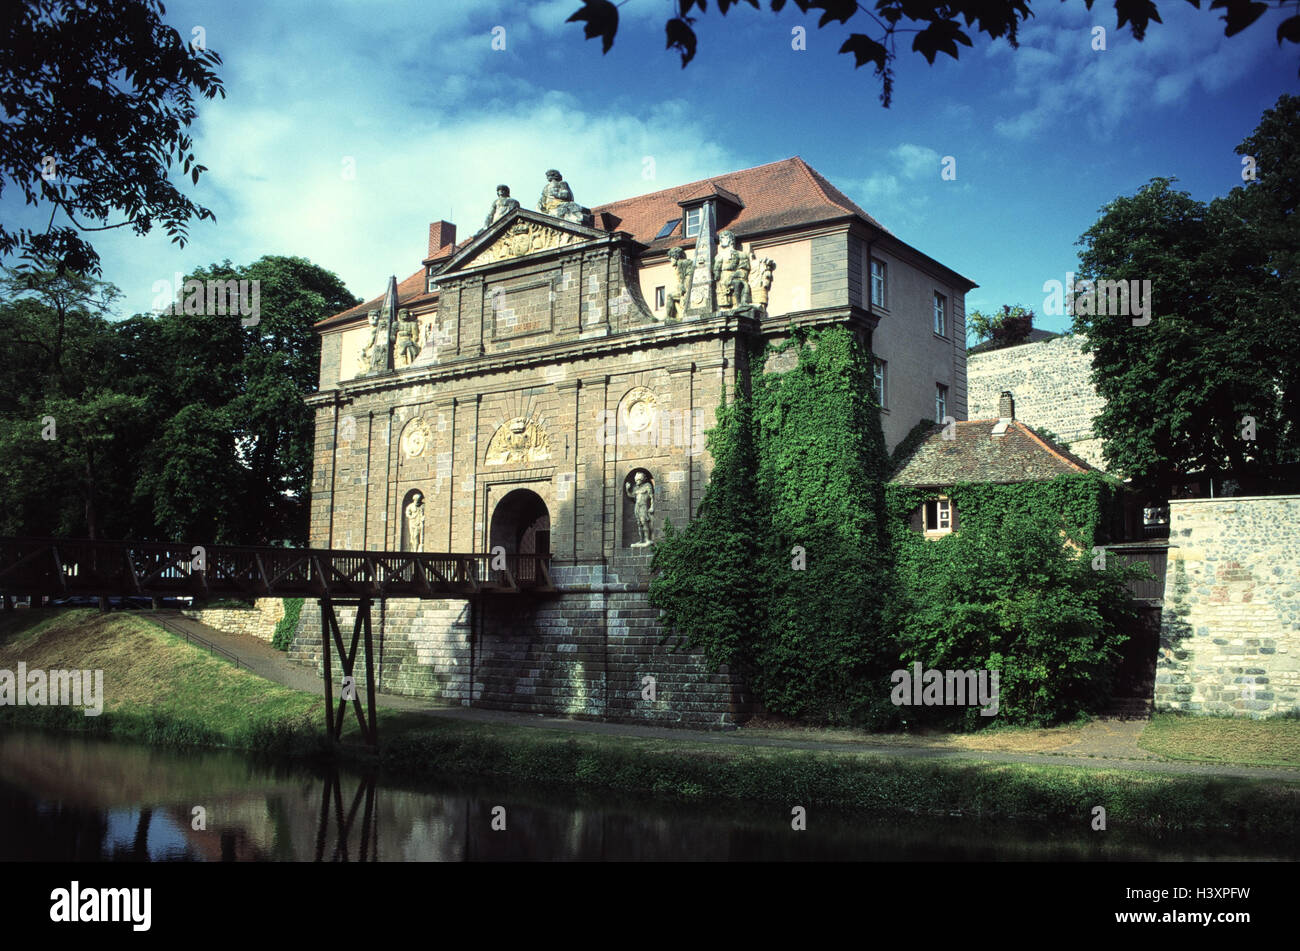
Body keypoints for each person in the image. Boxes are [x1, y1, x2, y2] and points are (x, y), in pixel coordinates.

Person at [625, 471, 655, 546]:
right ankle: (641, 540)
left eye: (639, 480)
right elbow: (631, 496)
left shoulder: (647, 485)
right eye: (636, 480)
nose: (637, 481)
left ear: (642, 479)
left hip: (643, 506)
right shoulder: (635, 488)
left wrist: (652, 506)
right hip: (637, 506)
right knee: (639, 524)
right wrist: (627, 489)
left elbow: (652, 496)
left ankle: (647, 539)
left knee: (644, 522)